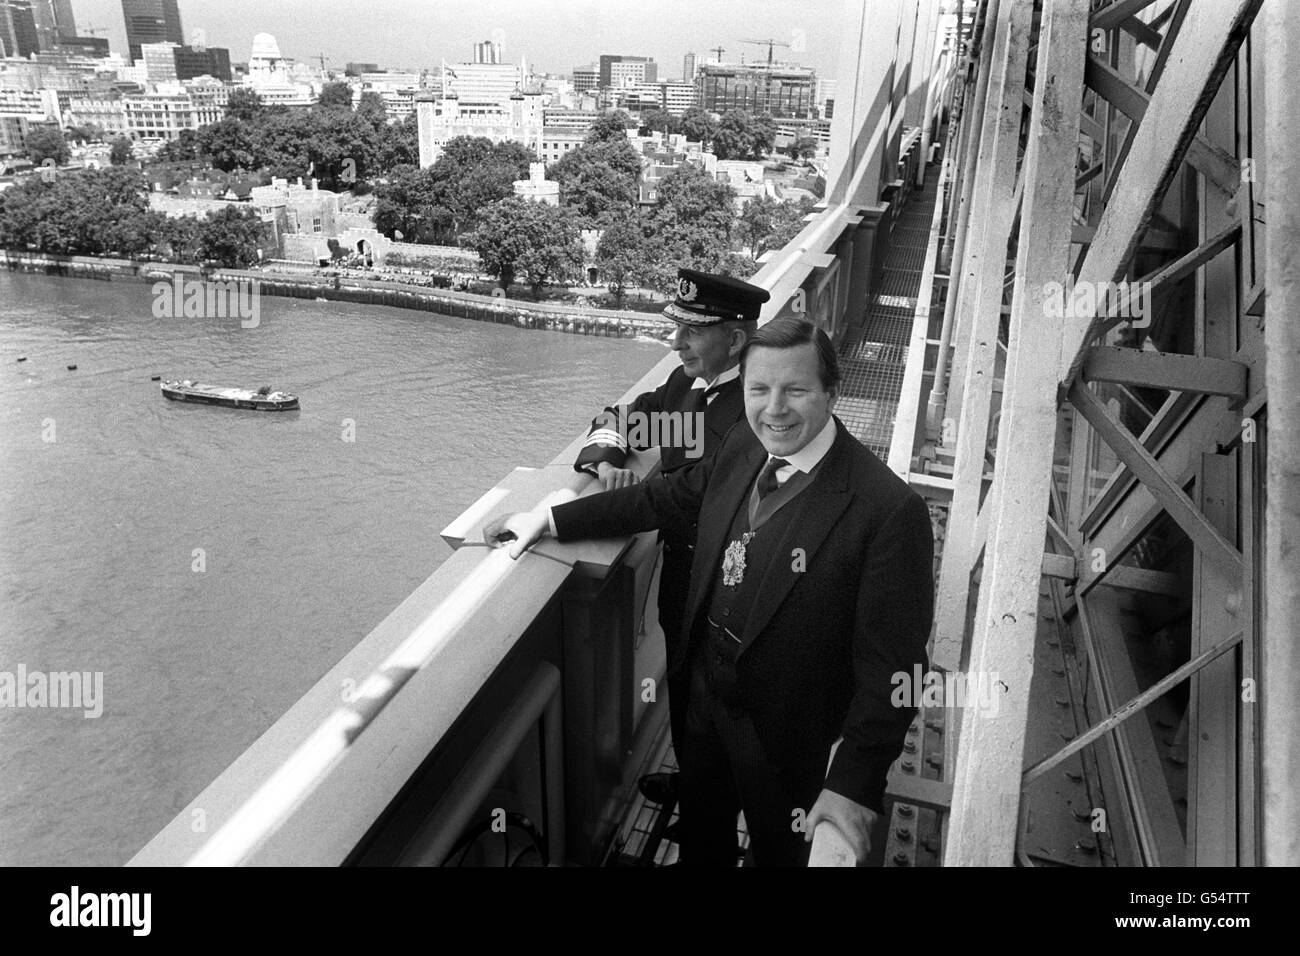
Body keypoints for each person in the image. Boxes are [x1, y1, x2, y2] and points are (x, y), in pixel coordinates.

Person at [485, 318, 935, 866]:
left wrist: (853, 782)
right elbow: (664, 499)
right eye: (759, 390)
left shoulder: (887, 513)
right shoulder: (745, 443)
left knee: (779, 852)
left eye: (796, 390)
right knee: (703, 837)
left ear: (832, 394)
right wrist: (551, 517)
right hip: (703, 703)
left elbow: (897, 670)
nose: (775, 409)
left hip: (790, 741)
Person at [574, 268, 764, 806]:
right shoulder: (692, 389)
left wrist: (560, 519)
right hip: (683, 575)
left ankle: (714, 807)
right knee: (685, 686)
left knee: (724, 701)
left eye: (693, 331)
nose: (676, 342)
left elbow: (680, 496)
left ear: (735, 339)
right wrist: (606, 459)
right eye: (676, 327)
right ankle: (696, 784)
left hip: (730, 589)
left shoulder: (752, 411)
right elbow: (623, 419)